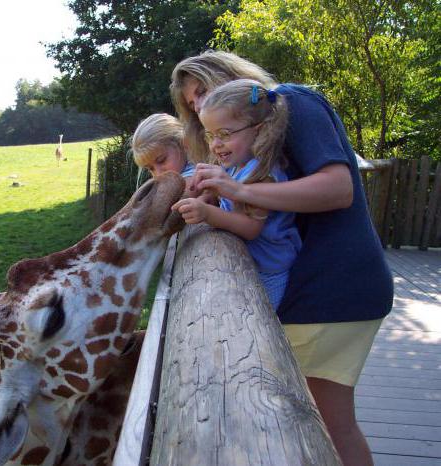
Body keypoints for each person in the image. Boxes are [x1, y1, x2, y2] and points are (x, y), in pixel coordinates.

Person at [170, 50, 393, 466]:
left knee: (329, 425)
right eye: (191, 104)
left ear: (230, 77)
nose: (199, 105)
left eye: (201, 91)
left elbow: (337, 188)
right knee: (326, 423)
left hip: (333, 290)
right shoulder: (253, 148)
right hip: (318, 292)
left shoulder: (293, 101)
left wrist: (238, 192)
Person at [172, 79, 301, 311]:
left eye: (224, 134)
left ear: (259, 130)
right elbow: (228, 202)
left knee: (258, 324)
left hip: (269, 271)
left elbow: (250, 228)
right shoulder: (235, 166)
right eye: (210, 136)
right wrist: (206, 197)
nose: (216, 145)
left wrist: (206, 213)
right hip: (254, 264)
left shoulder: (261, 173)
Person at [131, 113, 195, 178]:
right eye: (151, 168)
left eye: (161, 160)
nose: (159, 173)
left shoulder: (193, 178)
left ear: (182, 143)